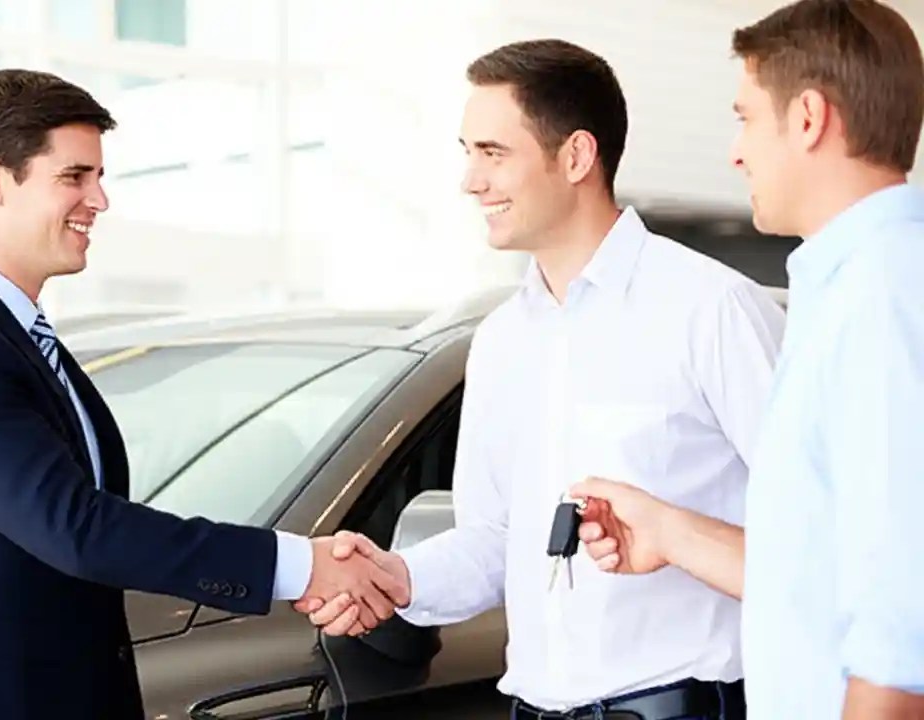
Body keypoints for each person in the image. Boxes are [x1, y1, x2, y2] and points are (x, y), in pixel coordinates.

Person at [0, 69, 408, 720]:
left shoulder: (6, 333)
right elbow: (77, 527)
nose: (100, 200)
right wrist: (300, 566)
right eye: (75, 176)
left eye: (98, 177)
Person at [296, 39, 784, 719]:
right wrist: (398, 576)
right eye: (467, 152)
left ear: (577, 156)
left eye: (493, 154)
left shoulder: (713, 310)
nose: (470, 181)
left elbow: (820, 534)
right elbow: (496, 538)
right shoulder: (501, 341)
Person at [569, 1, 924, 718]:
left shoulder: (885, 291)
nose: (735, 151)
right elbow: (820, 571)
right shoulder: (847, 287)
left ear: (808, 119)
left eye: (745, 117)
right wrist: (667, 531)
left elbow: (902, 630)